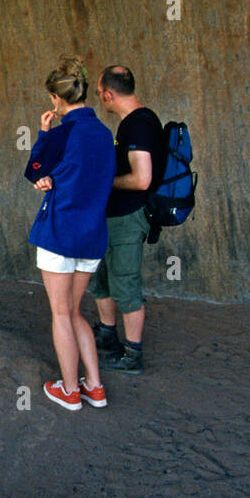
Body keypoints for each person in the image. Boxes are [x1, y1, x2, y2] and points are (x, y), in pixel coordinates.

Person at [27, 56, 117, 411]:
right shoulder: (102, 132)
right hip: (92, 235)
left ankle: (69, 390)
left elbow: (33, 167)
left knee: (61, 313)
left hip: (60, 232)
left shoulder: (63, 132)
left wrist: (44, 134)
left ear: (56, 98)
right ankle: (94, 386)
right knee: (75, 310)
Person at [91, 65, 169, 375]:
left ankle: (132, 354)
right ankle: (108, 334)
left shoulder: (137, 125)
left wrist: (106, 180)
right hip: (114, 216)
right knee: (104, 278)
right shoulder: (136, 122)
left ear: (108, 94)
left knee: (125, 282)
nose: (101, 99)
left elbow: (141, 179)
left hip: (128, 216)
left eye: (100, 94)